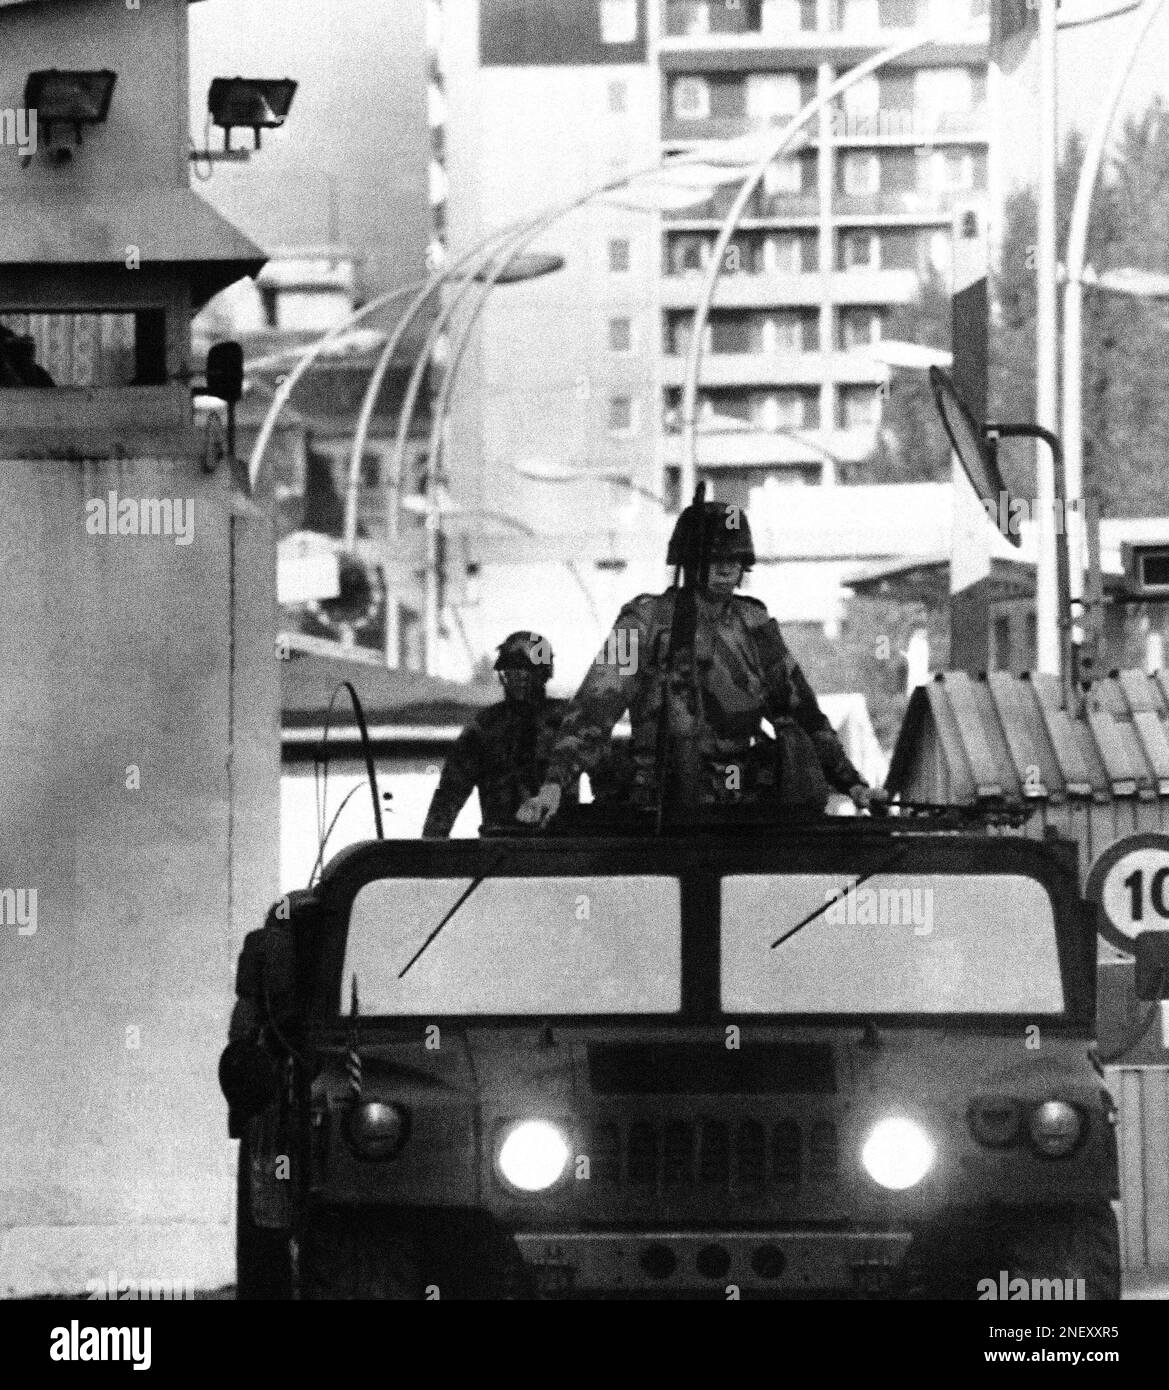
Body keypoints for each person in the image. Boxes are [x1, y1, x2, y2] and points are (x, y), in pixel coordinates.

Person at [516, 496, 886, 828]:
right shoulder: (641, 623)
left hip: (740, 806)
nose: (726, 568)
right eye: (715, 557)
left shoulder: (754, 625)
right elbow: (594, 709)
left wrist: (853, 784)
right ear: (690, 560)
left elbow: (803, 712)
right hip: (662, 805)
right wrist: (553, 786)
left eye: (735, 558)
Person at [421, 631, 578, 837]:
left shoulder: (569, 723)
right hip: (501, 849)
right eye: (513, 669)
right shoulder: (484, 728)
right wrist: (432, 846)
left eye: (529, 669)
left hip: (559, 849)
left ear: (544, 673)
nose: (521, 677)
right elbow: (449, 795)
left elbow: (607, 781)